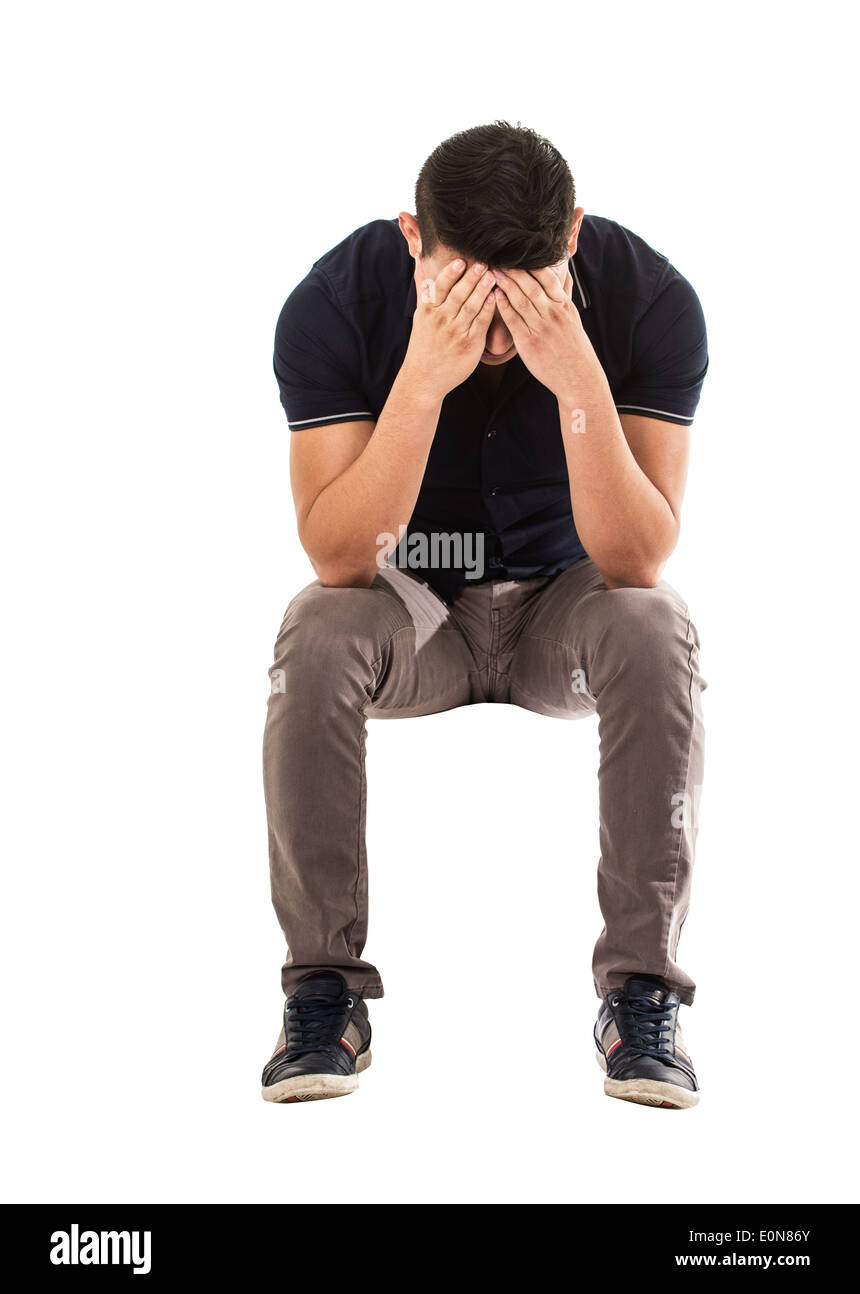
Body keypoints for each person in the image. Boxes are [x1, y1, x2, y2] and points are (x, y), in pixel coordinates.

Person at [260, 120, 708, 1109]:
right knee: (313, 629)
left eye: (526, 292)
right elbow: (340, 556)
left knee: (653, 621)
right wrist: (424, 374)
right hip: (412, 600)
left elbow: (632, 558)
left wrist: (577, 375)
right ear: (410, 239)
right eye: (464, 290)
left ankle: (638, 997)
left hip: (566, 600)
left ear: (573, 236)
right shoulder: (334, 304)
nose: (496, 333)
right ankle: (323, 991)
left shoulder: (651, 302)